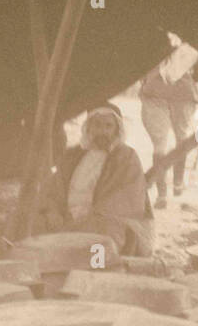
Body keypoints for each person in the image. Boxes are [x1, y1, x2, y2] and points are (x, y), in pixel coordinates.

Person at [35, 103, 154, 257]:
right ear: (88, 128)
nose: (102, 131)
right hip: (65, 216)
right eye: (97, 125)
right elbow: (53, 188)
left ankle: (94, 273)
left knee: (100, 241)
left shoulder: (127, 157)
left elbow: (127, 198)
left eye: (108, 126)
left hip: (105, 221)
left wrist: (87, 219)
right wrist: (53, 211)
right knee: (29, 223)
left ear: (117, 130)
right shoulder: (73, 154)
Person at [140, 34, 198, 209]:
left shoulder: (152, 39)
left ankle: (161, 195)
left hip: (154, 91)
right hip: (183, 93)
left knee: (159, 146)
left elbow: (140, 69)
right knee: (182, 139)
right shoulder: (194, 43)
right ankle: (178, 184)